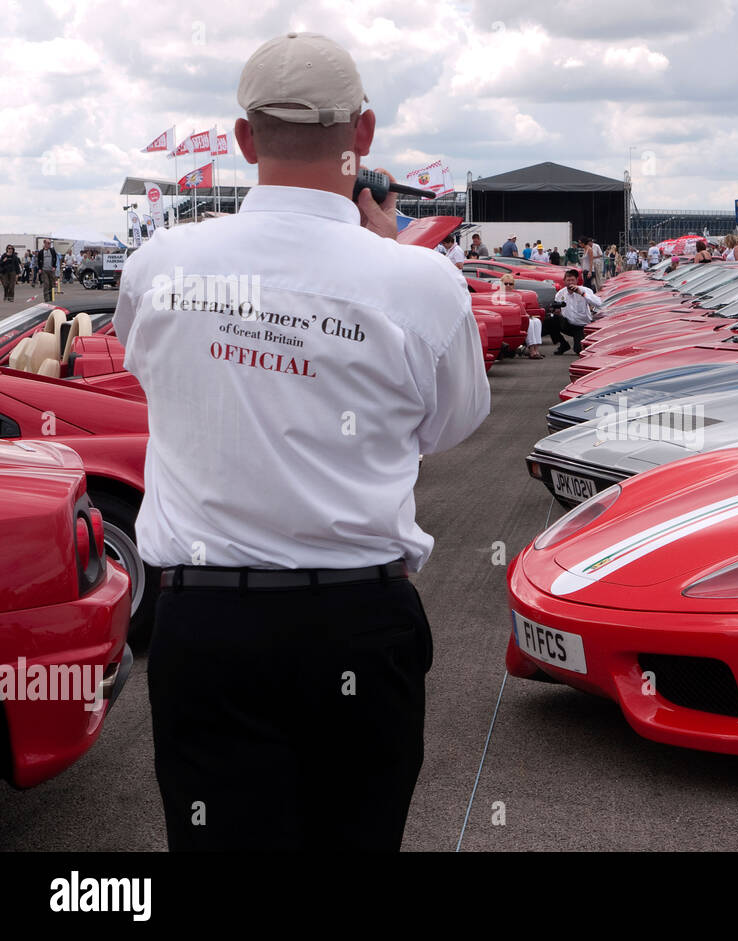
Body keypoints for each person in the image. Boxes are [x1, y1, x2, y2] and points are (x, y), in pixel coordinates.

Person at [114, 30, 490, 852]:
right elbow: (450, 424)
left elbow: (156, 374)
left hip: (205, 625)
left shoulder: (161, 263)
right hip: (359, 620)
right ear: (363, 134)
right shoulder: (420, 283)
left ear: (245, 139)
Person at [551, 268, 602, 354]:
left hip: (581, 325)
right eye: (568, 280)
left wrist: (582, 294)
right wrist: (556, 311)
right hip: (567, 324)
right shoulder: (560, 294)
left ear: (577, 280)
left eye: (573, 280)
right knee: (550, 322)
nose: (570, 282)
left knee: (578, 350)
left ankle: (579, 342)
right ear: (564, 281)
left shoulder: (585, 290)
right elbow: (556, 309)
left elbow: (599, 303)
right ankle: (563, 344)